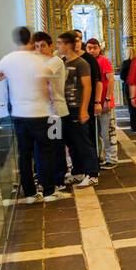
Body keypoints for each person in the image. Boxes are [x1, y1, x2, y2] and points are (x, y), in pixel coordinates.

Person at [0, 26, 56, 203]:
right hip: (40, 112)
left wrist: (5, 75)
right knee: (46, 153)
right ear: (31, 40)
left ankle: (30, 194)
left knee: (25, 154)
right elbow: (46, 85)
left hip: (19, 114)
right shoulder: (39, 60)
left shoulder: (9, 59)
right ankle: (48, 191)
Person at [56, 31, 98, 188]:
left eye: (60, 43)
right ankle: (78, 171)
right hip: (64, 108)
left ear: (68, 45)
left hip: (76, 107)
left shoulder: (82, 63)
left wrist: (84, 110)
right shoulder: (61, 62)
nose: (58, 46)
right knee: (71, 142)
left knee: (83, 142)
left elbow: (87, 87)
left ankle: (92, 173)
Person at [33, 31, 69, 195]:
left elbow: (40, 75)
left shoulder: (55, 61)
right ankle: (46, 178)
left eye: (43, 46)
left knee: (56, 146)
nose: (40, 49)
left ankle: (58, 179)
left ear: (50, 46)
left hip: (56, 111)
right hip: (42, 112)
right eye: (37, 46)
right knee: (45, 148)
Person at [74, 30, 104, 168]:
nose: (77, 42)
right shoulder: (63, 59)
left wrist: (98, 101)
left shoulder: (89, 60)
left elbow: (98, 82)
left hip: (89, 102)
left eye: (79, 39)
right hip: (72, 104)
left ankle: (92, 167)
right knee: (74, 137)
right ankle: (79, 166)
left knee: (89, 135)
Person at [87, 38, 119, 169]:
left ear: (99, 48)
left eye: (95, 47)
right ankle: (100, 156)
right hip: (93, 103)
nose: (92, 50)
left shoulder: (103, 61)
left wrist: (107, 99)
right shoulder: (87, 61)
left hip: (105, 103)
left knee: (108, 132)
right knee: (97, 133)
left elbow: (110, 81)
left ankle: (112, 158)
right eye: (89, 47)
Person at [119, 51, 136, 133]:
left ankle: (134, 127)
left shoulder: (125, 63)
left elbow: (122, 76)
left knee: (131, 108)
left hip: (128, 85)